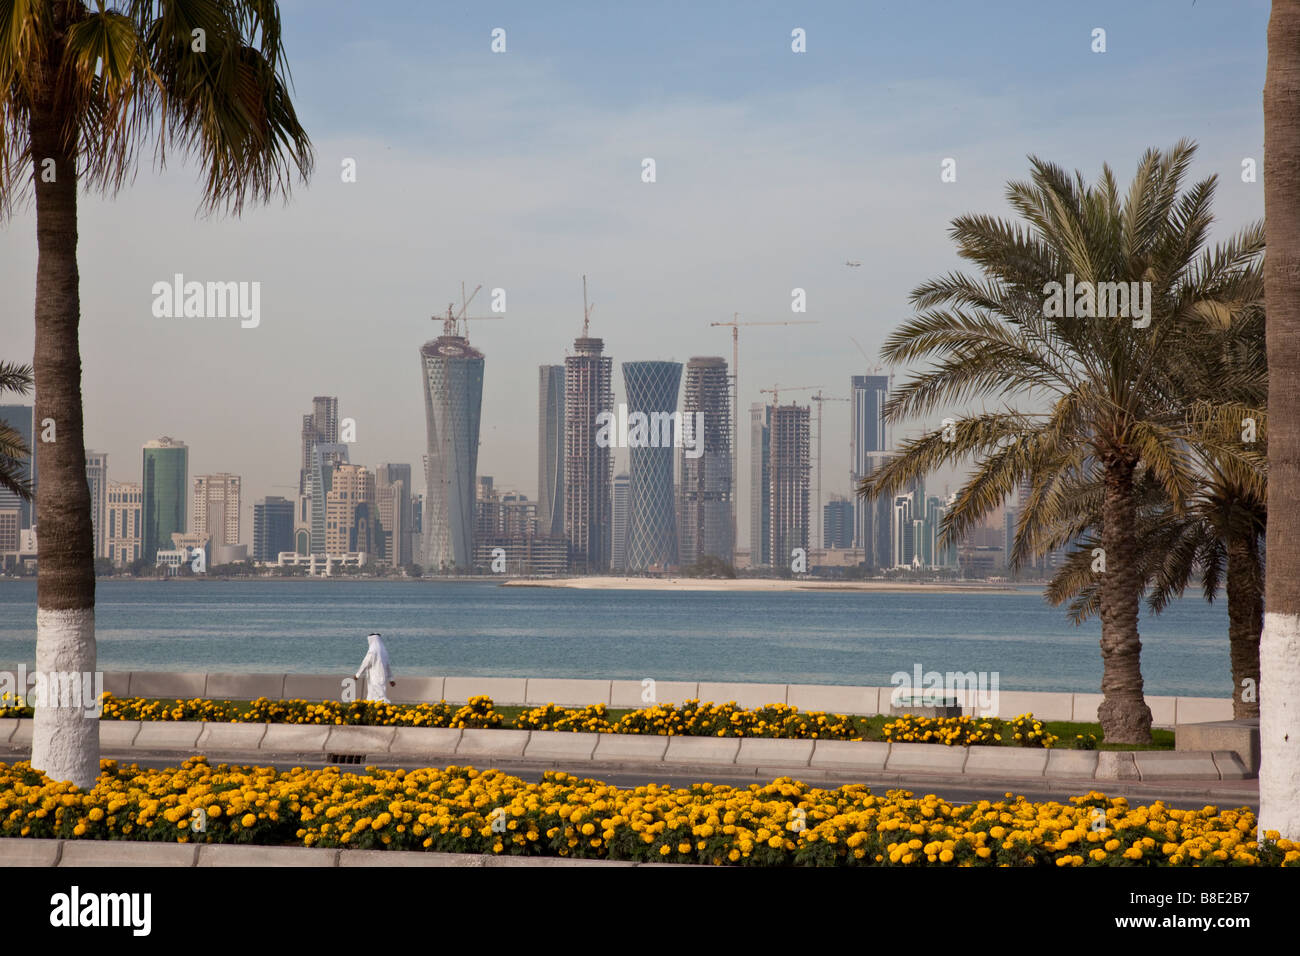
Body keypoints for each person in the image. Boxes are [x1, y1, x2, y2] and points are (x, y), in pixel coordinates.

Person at [354, 632, 395, 703]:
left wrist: (357, 674)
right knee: (377, 693)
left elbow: (365, 663)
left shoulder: (372, 651)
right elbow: (388, 666)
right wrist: (391, 679)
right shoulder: (384, 651)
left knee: (379, 695)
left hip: (374, 676)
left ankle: (383, 707)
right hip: (382, 675)